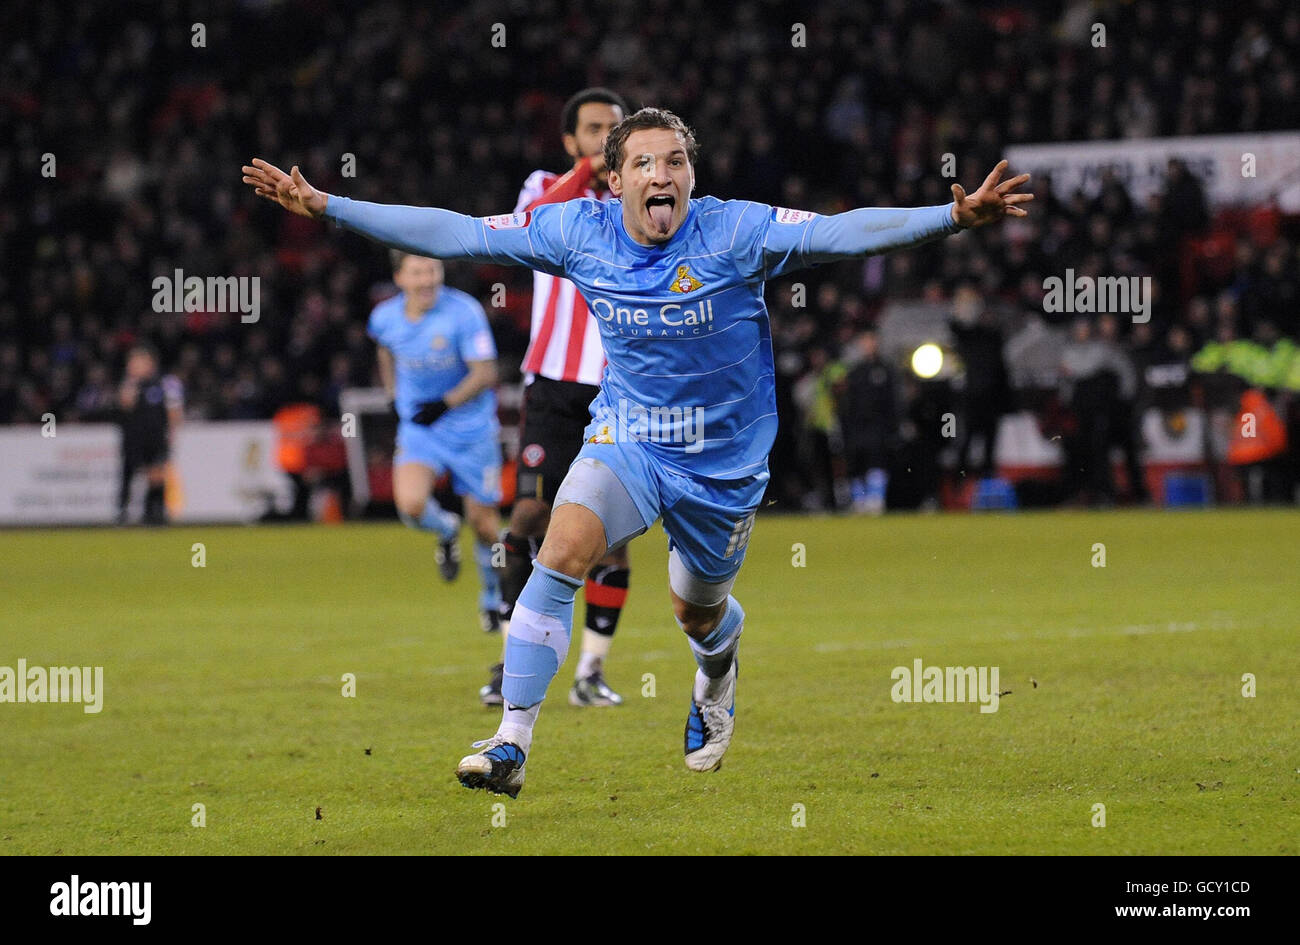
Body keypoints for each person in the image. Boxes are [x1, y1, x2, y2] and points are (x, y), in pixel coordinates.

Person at [242, 107, 1032, 798]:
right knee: (560, 551)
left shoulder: (734, 228)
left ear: (692, 174)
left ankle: (717, 674)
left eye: (676, 161)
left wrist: (950, 217)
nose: (664, 175)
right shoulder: (576, 230)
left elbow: (842, 231)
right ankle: (512, 741)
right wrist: (328, 206)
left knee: (698, 608)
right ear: (612, 181)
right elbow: (458, 231)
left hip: (724, 461)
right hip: (630, 436)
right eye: (645, 162)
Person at [484, 88, 632, 709]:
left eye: (614, 129)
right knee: (527, 517)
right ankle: (509, 657)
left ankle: (590, 672)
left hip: (622, 388)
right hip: (554, 383)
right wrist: (586, 173)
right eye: (593, 129)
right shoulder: (546, 185)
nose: (605, 139)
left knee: (613, 534)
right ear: (570, 140)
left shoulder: (638, 198)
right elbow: (526, 227)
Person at [370, 250, 504, 632]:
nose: (427, 279)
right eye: (418, 272)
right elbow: (385, 351)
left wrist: (444, 404)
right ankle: (446, 530)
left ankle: (492, 600)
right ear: (400, 279)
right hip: (422, 430)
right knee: (411, 505)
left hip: (472, 430)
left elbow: (485, 373)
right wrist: (394, 396)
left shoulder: (464, 313)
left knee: (485, 525)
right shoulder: (384, 318)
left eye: (432, 270)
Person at [116, 344, 182, 524]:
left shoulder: (166, 382)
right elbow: (125, 404)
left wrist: (170, 433)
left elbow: (174, 412)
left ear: (150, 363)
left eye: (137, 362)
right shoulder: (130, 384)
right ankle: (122, 513)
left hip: (156, 437)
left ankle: (154, 512)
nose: (133, 366)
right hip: (134, 438)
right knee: (128, 473)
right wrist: (131, 381)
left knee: (156, 475)